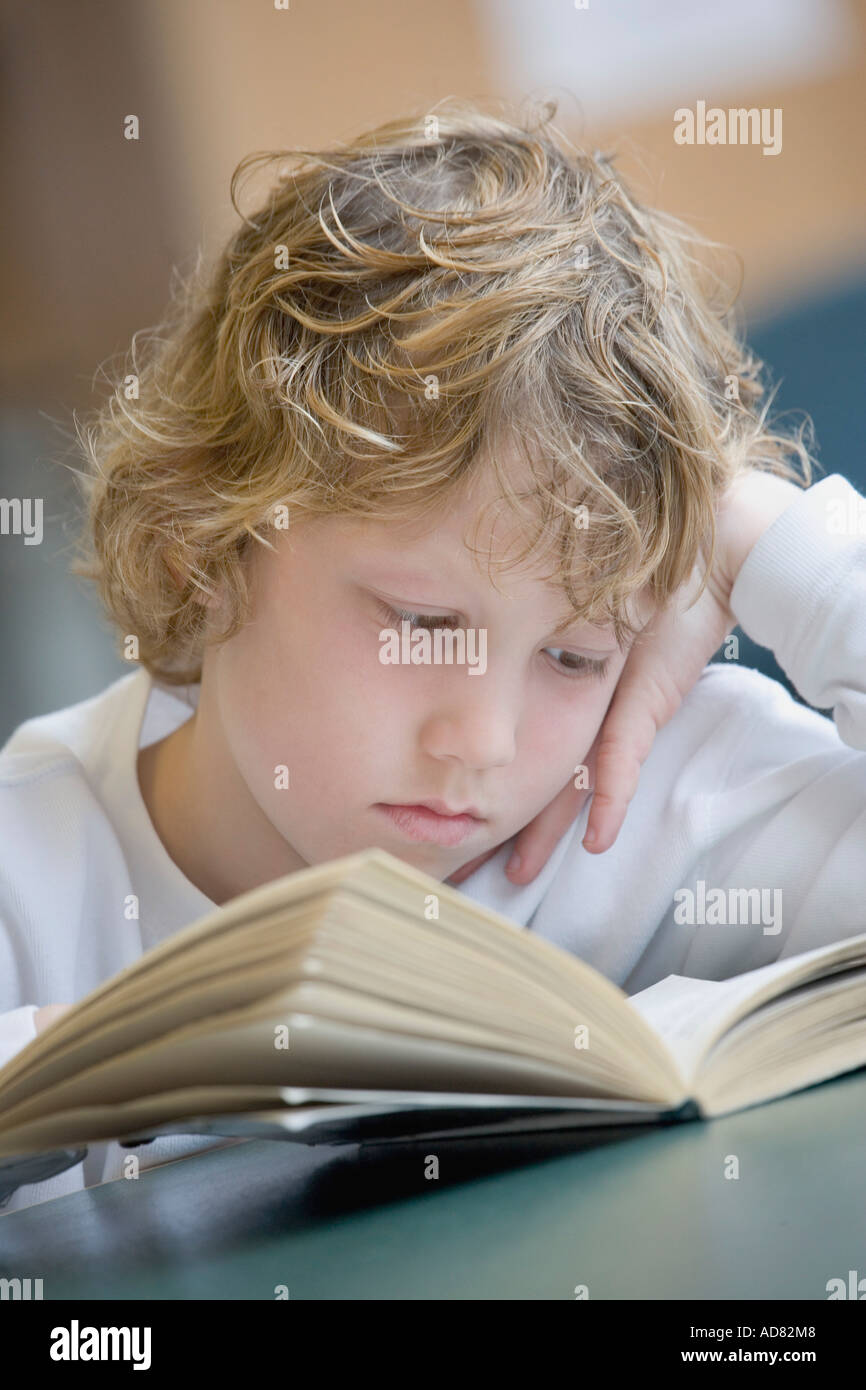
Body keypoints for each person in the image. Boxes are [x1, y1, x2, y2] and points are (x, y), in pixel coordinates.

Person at [1, 100, 864, 1212]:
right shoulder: (30, 862)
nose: (483, 744)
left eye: (570, 656)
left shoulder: (652, 793)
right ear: (199, 549)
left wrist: (763, 534)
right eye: (420, 624)